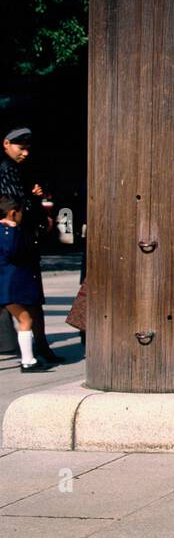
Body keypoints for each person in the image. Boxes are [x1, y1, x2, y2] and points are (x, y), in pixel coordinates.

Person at [0, 127, 62, 364]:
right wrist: (31, 200)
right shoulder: (7, 169)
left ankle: (37, 347)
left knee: (26, 295)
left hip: (21, 241)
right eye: (20, 147)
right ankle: (36, 349)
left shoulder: (16, 168)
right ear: (6, 143)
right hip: (15, 241)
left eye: (27, 149)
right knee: (23, 296)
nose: (25, 153)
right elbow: (14, 204)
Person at [0, 196, 48, 371]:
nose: (22, 216)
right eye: (20, 212)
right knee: (25, 319)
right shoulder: (6, 231)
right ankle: (28, 361)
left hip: (8, 286)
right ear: (13, 213)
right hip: (9, 286)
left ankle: (29, 360)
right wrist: (12, 230)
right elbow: (11, 252)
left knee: (25, 319)